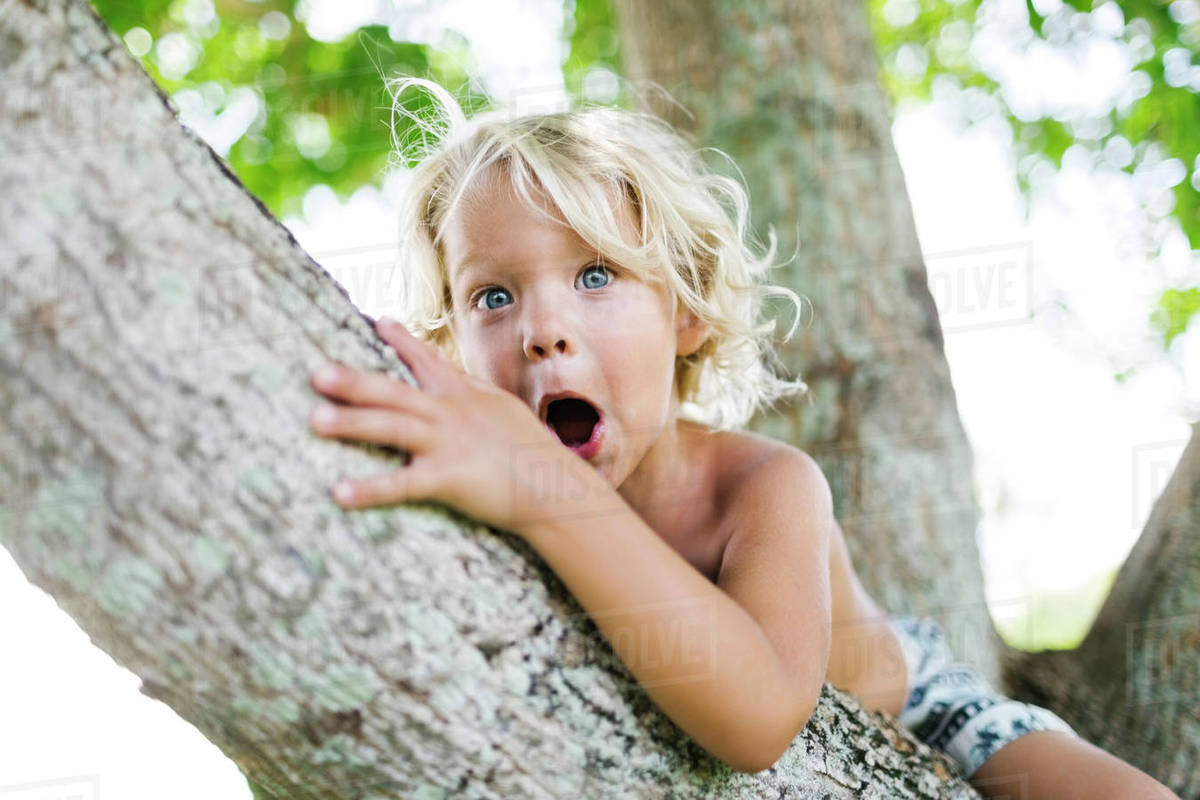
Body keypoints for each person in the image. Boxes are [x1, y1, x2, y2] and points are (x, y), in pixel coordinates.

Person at [307, 75, 1178, 797]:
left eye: (595, 274)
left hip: (927, 711)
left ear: (685, 311)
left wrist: (544, 487)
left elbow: (760, 720)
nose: (543, 328)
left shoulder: (762, 485)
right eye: (491, 296)